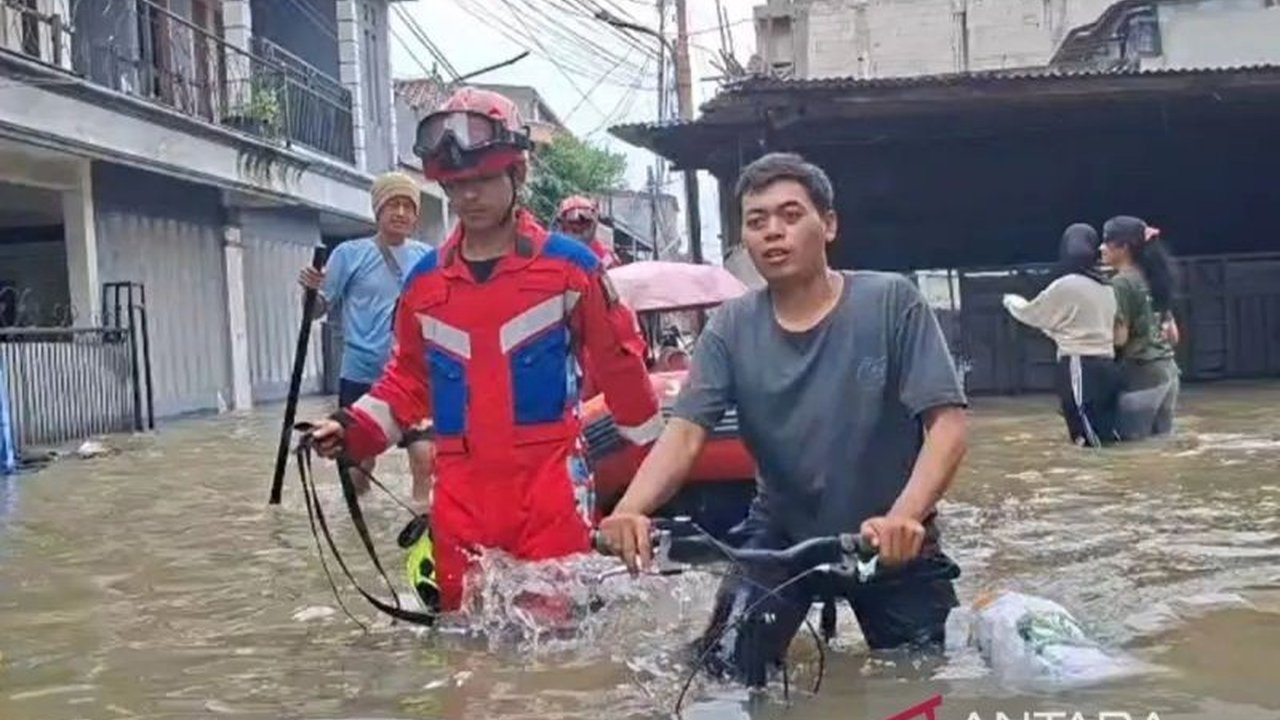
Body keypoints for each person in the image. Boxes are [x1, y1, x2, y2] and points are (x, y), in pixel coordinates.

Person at [597, 152, 970, 683]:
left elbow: (948, 425)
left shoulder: (893, 302)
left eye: (791, 215)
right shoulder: (730, 327)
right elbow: (684, 435)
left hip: (888, 534)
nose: (774, 232)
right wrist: (630, 511)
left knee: (929, 679)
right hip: (780, 532)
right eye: (757, 221)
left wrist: (904, 518)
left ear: (830, 224)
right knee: (717, 672)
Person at [305, 87, 663, 613]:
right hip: (459, 500)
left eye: (481, 182)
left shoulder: (572, 270)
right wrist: (352, 429)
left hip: (549, 490)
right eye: (456, 185)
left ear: (516, 176)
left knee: (556, 656)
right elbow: (407, 379)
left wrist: (651, 480)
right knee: (464, 656)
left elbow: (621, 367)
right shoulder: (425, 284)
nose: (468, 197)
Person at [298, 171, 434, 502]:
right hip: (360, 374)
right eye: (393, 204)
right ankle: (362, 521)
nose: (401, 213)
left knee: (424, 459)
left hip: (413, 378)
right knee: (359, 467)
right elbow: (316, 311)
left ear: (416, 215)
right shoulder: (349, 254)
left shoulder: (429, 259)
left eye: (408, 206)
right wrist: (311, 291)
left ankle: (423, 531)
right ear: (378, 210)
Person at [1002, 224, 1121, 447]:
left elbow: (1033, 314)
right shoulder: (1106, 287)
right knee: (1104, 435)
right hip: (1108, 366)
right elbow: (1072, 325)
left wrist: (1011, 302)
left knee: (1086, 441)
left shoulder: (1066, 285)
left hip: (1080, 366)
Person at [1101, 215, 1181, 441]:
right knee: (1161, 443)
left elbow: (1120, 338)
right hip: (1168, 372)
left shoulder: (1122, 283)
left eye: (1107, 241)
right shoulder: (1156, 279)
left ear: (1124, 247)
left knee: (1133, 447)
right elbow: (1173, 336)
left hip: (1141, 373)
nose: (1102, 247)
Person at [556, 195, 620, 269]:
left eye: (584, 223)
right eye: (572, 224)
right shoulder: (552, 253)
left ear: (593, 224)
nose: (578, 228)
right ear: (562, 225)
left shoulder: (605, 256)